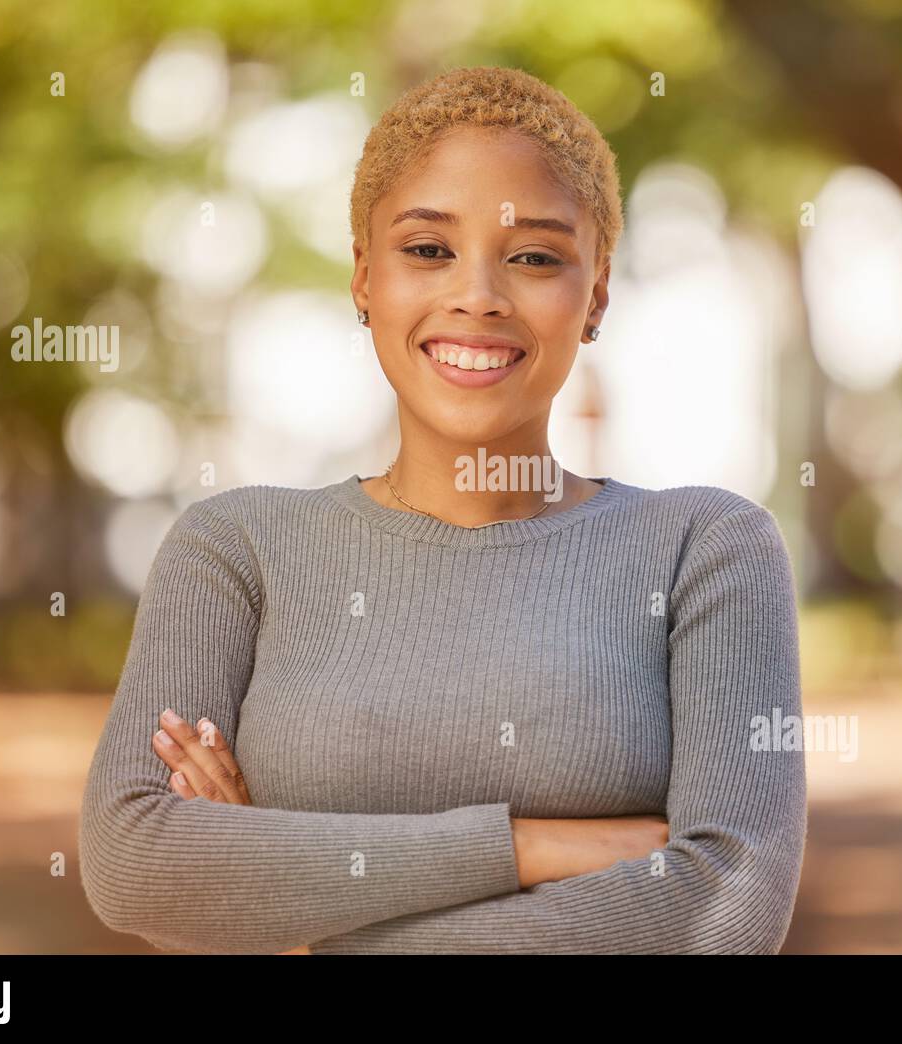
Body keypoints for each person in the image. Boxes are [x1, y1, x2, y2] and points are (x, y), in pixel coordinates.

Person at [78, 65, 807, 954]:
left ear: (598, 295)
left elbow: (725, 912)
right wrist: (531, 848)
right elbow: (133, 861)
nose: (479, 297)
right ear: (364, 278)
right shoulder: (238, 551)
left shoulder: (704, 550)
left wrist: (295, 907)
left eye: (534, 257)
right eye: (428, 250)